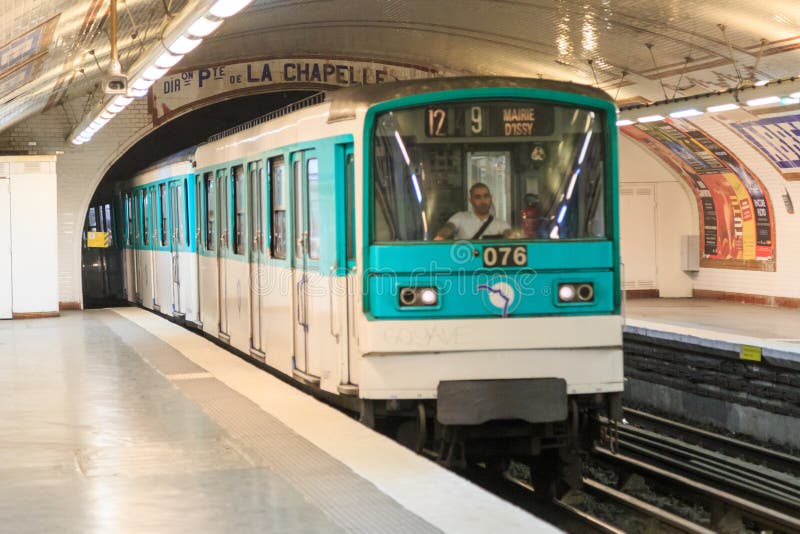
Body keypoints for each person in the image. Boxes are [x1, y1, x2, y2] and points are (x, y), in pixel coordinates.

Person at [434, 183, 510, 240]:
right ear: (471, 200)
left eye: (486, 196)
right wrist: (442, 235)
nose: (483, 201)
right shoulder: (460, 218)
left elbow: (509, 234)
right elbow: (449, 227)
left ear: (490, 198)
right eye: (478, 197)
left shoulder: (500, 224)